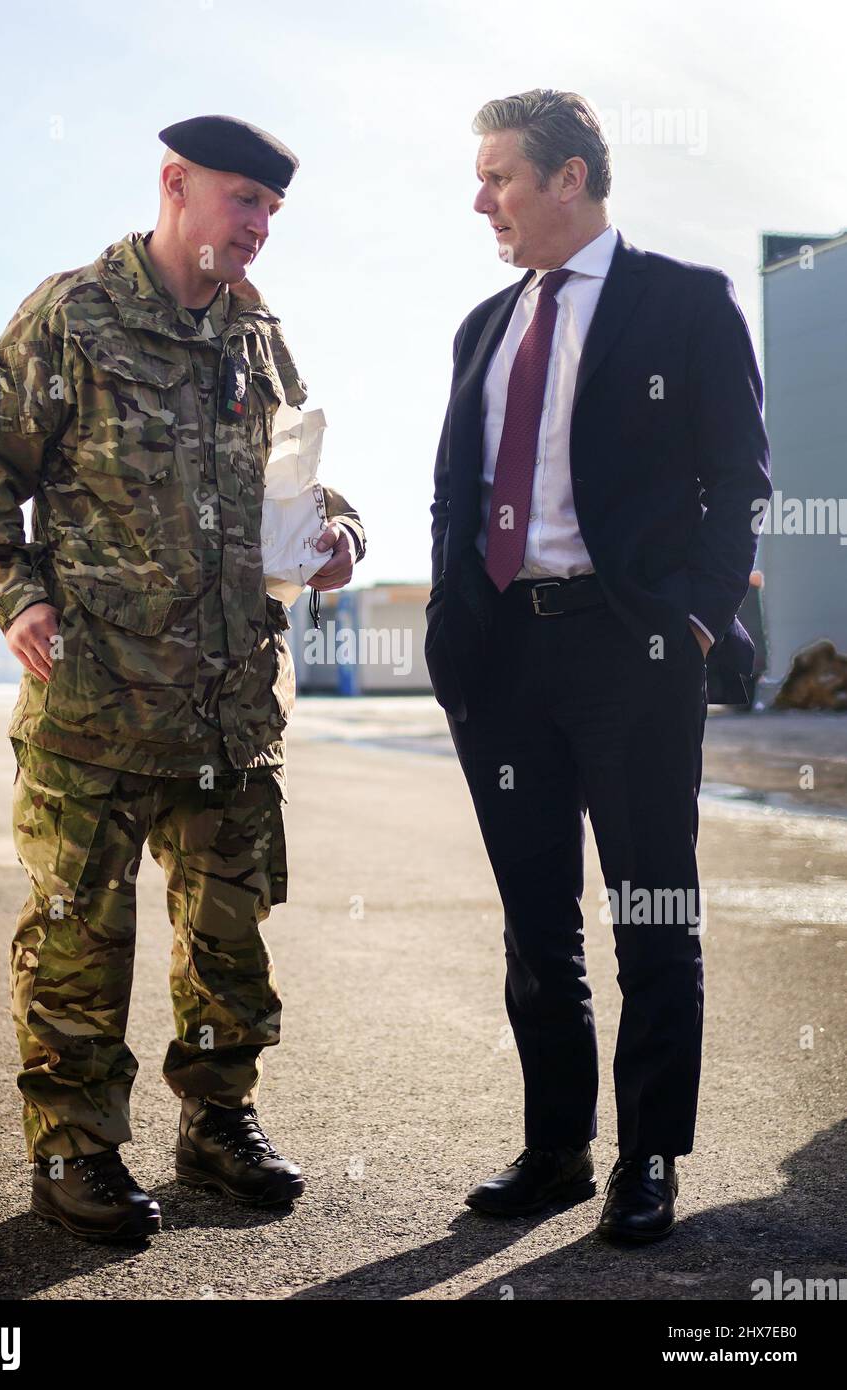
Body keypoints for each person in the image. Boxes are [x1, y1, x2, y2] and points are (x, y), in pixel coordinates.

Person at [0, 115, 366, 1242]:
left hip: (232, 710)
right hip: (97, 705)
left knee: (230, 939)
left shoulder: (262, 342)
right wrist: (12, 591)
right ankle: (73, 1145)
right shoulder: (76, 315)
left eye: (273, 207)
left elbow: (304, 490)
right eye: (242, 199)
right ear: (176, 184)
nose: (260, 226)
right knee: (79, 938)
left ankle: (219, 1122)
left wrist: (339, 539)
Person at [425, 89, 769, 1241]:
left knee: (652, 912)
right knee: (536, 920)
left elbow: (741, 483)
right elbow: (455, 493)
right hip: (506, 659)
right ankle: (557, 1146)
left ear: (570, 177)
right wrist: (448, 626)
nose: (483, 201)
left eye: (500, 178)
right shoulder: (484, 327)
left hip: (634, 652)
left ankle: (650, 1156)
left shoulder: (684, 304)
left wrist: (701, 623)